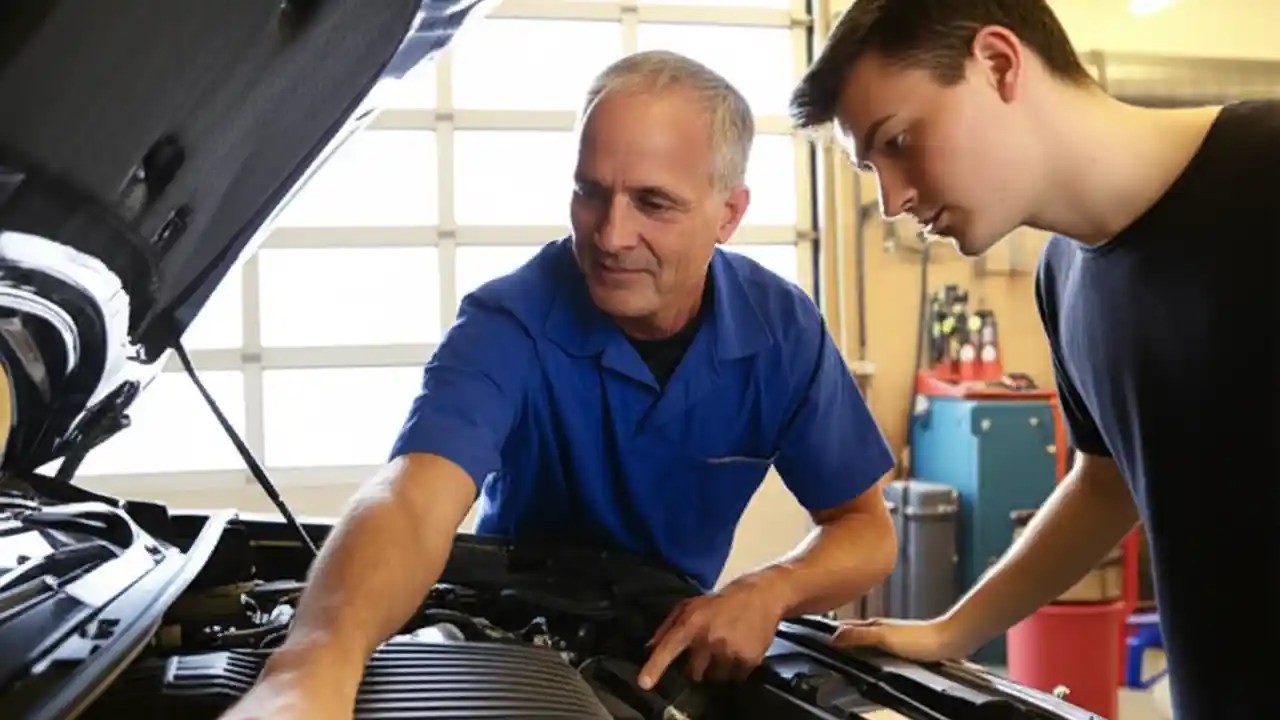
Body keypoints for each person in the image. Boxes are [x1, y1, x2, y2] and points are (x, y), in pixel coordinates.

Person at [221, 50, 898, 719]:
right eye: (590, 192)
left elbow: (865, 529)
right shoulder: (510, 319)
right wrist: (313, 664)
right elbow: (412, 500)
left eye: (653, 203)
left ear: (728, 213)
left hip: (659, 641)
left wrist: (771, 589)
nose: (610, 234)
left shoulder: (782, 330)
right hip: (506, 634)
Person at [788, 1, 1277, 718]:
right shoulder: (1066, 278)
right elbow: (1105, 483)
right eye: (871, 166)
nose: (892, 200)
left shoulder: (1269, 173)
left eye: (899, 140)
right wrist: (953, 630)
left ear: (998, 64)